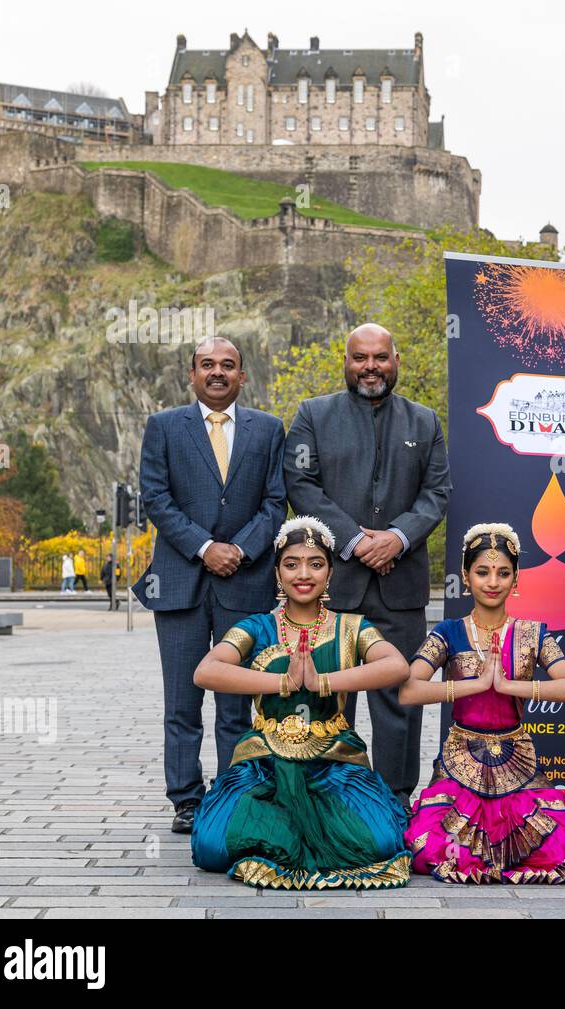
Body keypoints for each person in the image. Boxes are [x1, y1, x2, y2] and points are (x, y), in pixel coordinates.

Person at [191, 517, 414, 889]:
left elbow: (396, 666)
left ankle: (295, 833)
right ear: (277, 572)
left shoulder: (352, 627)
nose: (303, 574)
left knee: (382, 841)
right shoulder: (256, 627)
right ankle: (293, 829)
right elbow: (206, 671)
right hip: (265, 761)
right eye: (291, 564)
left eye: (315, 563)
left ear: (330, 573)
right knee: (212, 844)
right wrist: (284, 682)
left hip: (334, 760)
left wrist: (321, 682)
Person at [284, 323, 452, 808]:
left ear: (396, 360)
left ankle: (396, 801)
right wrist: (355, 540)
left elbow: (437, 493)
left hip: (401, 589)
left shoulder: (425, 421)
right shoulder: (312, 415)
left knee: (400, 699)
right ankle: (328, 801)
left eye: (380, 357)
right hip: (334, 590)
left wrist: (397, 538)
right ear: (346, 361)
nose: (371, 367)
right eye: (360, 357)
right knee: (327, 698)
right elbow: (301, 485)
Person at [134, 336, 288, 835]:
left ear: (243, 376)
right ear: (192, 374)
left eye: (228, 365)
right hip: (180, 582)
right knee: (182, 700)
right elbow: (155, 497)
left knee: (237, 701)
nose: (217, 372)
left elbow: (275, 502)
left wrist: (239, 550)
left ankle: (233, 791)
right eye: (207, 365)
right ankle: (186, 799)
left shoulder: (268, 430)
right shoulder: (163, 427)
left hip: (245, 585)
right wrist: (205, 547)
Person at [401, 523, 565, 884]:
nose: (492, 581)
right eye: (482, 572)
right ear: (466, 577)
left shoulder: (534, 633)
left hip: (517, 758)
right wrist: (472, 686)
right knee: (430, 849)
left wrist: (510, 686)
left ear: (516, 580)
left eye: (503, 573)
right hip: (461, 759)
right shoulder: (447, 632)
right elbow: (409, 690)